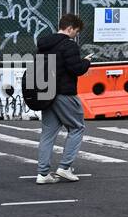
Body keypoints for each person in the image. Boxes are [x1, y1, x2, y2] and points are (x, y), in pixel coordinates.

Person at [35, 14, 92, 184]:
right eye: (76, 31)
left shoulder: (44, 43)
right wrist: (86, 62)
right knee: (77, 127)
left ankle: (43, 173)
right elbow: (76, 69)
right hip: (64, 92)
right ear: (69, 28)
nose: (76, 34)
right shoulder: (69, 46)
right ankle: (65, 167)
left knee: (48, 133)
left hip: (45, 93)